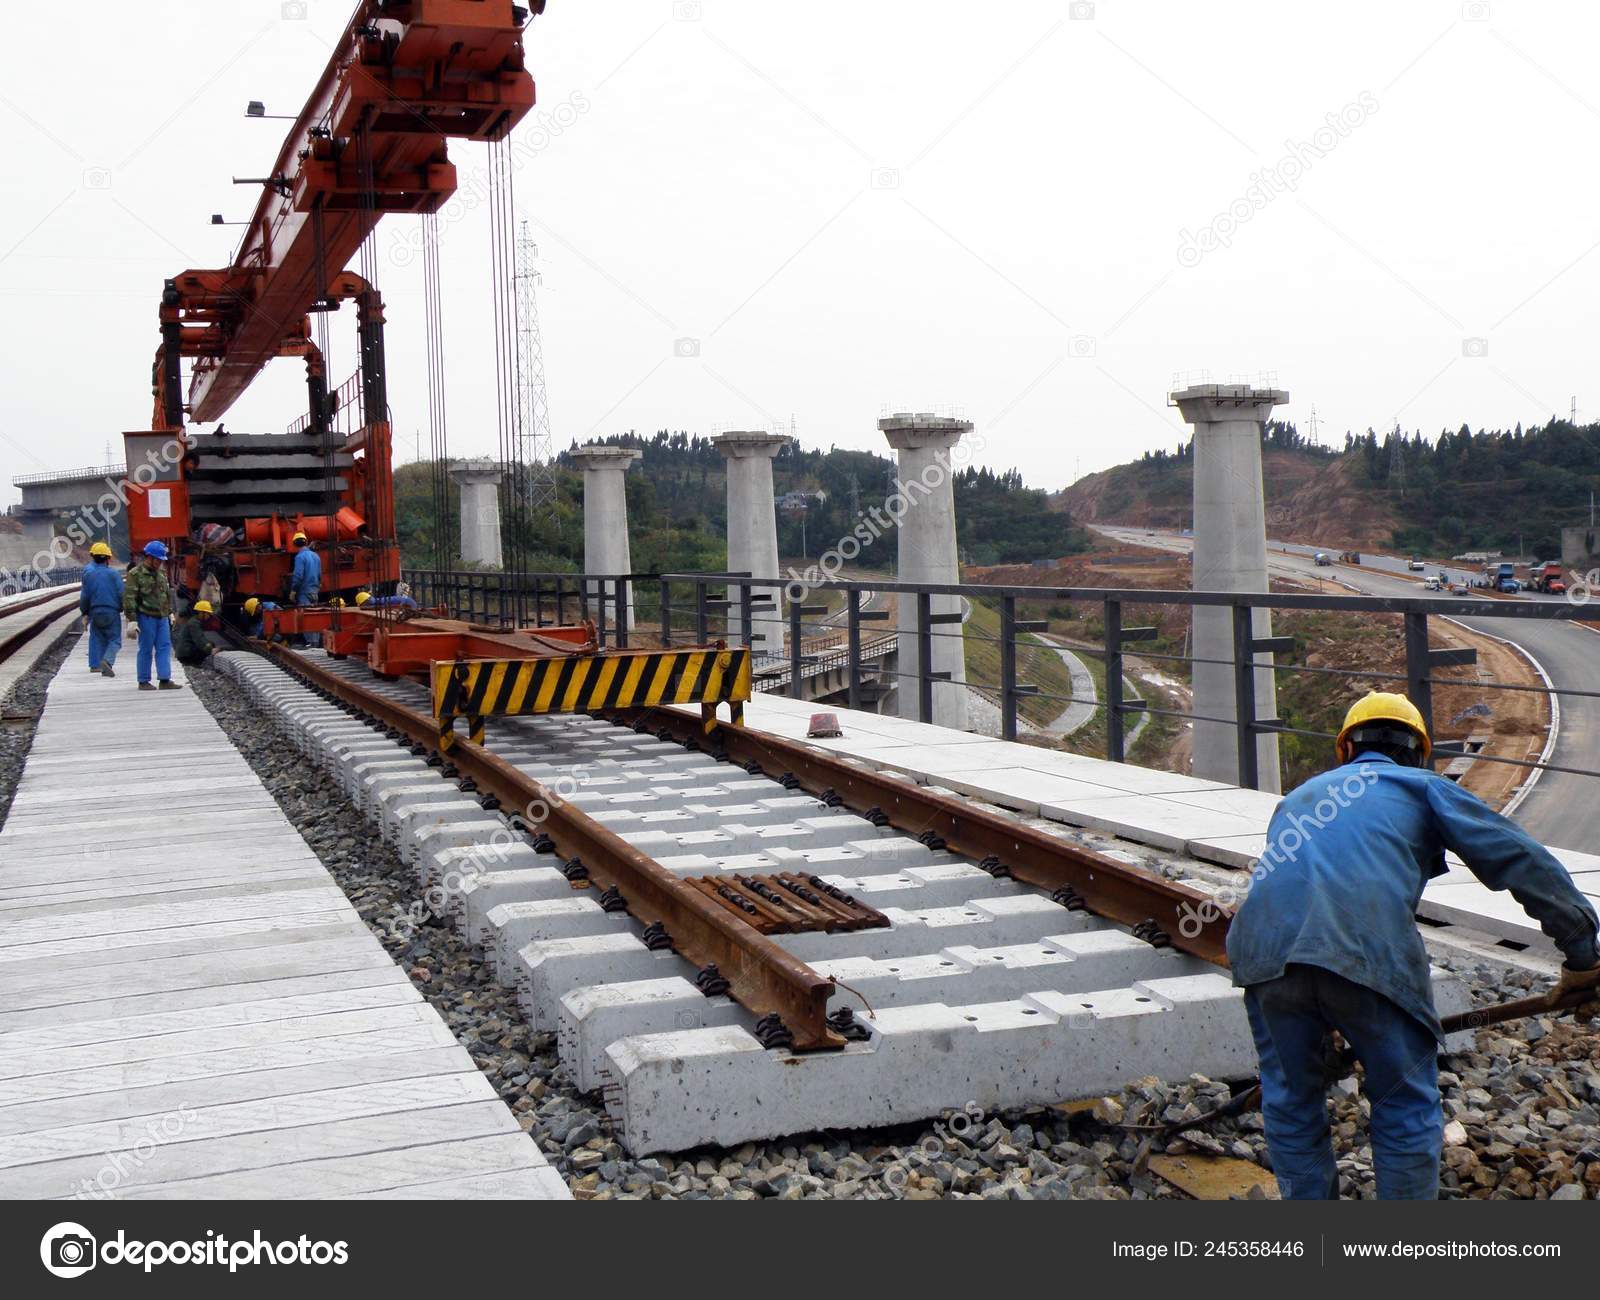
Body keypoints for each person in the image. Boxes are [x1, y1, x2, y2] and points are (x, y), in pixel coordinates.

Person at [1227, 691, 1600, 1201]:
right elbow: (1520, 859)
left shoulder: (1299, 799)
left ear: (1346, 750)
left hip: (1262, 955)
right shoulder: (1421, 786)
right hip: (1366, 949)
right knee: (1402, 1101)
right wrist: (1583, 954)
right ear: (1419, 752)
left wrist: (1322, 1021)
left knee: (1291, 1098)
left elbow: (1291, 888)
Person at [122, 540, 181, 691]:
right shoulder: (135, 574)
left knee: (164, 647)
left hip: (162, 617)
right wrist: (132, 620)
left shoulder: (161, 574)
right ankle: (143, 681)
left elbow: (165, 595)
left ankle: (164, 679)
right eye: (159, 559)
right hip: (146, 617)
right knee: (146, 648)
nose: (160, 562)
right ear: (150, 557)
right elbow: (130, 598)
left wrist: (170, 613)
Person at [79, 541, 123, 677]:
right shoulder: (114, 574)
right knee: (115, 639)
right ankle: (107, 661)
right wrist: (124, 609)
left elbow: (84, 596)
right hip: (111, 611)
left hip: (95, 612)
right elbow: (122, 593)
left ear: (92, 556)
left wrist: (85, 613)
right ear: (108, 558)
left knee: (96, 637)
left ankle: (94, 664)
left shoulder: (88, 574)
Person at [290, 532, 321, 647]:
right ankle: (316, 643)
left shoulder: (299, 557)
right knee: (315, 615)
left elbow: (298, 575)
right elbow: (319, 574)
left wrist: (293, 590)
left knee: (305, 616)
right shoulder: (316, 556)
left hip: (304, 591)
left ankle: (310, 643)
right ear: (306, 542)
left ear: (294, 544)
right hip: (314, 590)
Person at [173, 599, 216, 668]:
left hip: (185, 652)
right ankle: (194, 663)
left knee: (210, 644)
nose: (209, 616)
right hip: (186, 654)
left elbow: (201, 638)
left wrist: (210, 644)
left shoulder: (195, 621)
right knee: (207, 647)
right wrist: (211, 649)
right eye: (208, 613)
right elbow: (199, 641)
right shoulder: (194, 623)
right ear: (201, 613)